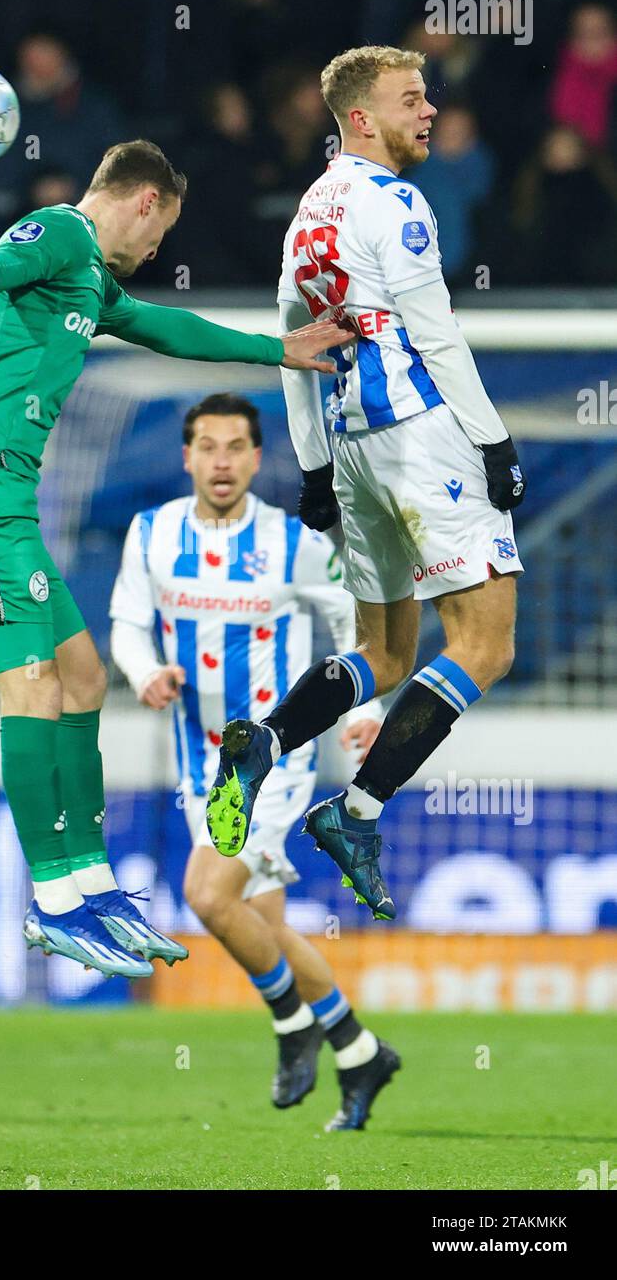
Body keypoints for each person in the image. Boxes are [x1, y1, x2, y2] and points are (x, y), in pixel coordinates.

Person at [0, 139, 351, 981]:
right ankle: (51, 900)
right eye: (160, 234)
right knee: (30, 685)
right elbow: (0, 259)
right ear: (144, 202)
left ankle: (92, 883)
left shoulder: (90, 283)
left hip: (3, 497)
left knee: (78, 672)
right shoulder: (64, 236)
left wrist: (275, 349)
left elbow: (165, 327)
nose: (157, 253)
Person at [206, 46, 527, 920]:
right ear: (360, 118)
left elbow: (290, 347)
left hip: (351, 447)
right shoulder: (395, 202)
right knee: (484, 646)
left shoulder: (307, 211)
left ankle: (267, 741)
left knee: (385, 654)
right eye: (410, 100)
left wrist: (313, 466)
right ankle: (356, 813)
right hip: (424, 437)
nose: (428, 113)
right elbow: (436, 333)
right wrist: (493, 442)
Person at [110, 393, 398, 1128]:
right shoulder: (150, 534)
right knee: (259, 919)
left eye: (236, 446)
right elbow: (126, 625)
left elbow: (350, 617)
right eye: (207, 446)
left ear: (256, 457)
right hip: (193, 761)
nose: (221, 461)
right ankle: (358, 1049)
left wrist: (361, 710)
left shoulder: (291, 540)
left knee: (206, 898)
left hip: (273, 758)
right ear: (186, 456)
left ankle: (290, 1023)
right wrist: (145, 674)